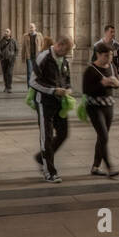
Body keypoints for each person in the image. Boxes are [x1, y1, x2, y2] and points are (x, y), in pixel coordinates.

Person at [34, 36, 74, 182]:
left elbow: (66, 79)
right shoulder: (43, 57)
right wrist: (53, 90)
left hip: (59, 103)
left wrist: (67, 89)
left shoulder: (64, 60)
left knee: (64, 133)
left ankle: (41, 157)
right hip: (44, 102)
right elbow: (33, 82)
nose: (67, 53)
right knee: (47, 136)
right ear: (60, 45)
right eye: (67, 50)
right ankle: (49, 172)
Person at [84, 42, 119, 177]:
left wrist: (116, 84)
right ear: (98, 54)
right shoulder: (90, 70)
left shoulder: (112, 66)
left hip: (108, 105)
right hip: (94, 106)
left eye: (110, 55)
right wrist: (101, 84)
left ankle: (95, 167)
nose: (109, 58)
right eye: (106, 56)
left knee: (102, 138)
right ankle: (110, 168)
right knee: (104, 136)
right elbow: (86, 90)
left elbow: (117, 82)